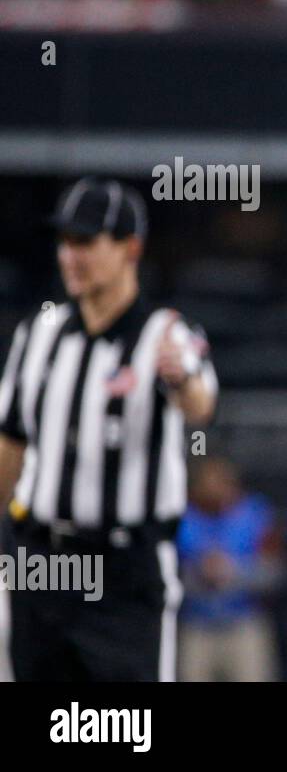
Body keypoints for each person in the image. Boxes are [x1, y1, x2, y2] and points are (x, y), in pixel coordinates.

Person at [0, 177, 218, 681]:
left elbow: (200, 405)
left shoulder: (165, 336)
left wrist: (181, 378)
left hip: (124, 572)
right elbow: (10, 443)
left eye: (86, 242)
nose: (70, 257)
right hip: (41, 563)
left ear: (129, 249)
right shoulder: (39, 334)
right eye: (65, 242)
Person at [176, 456, 285, 682]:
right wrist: (200, 575)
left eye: (222, 481)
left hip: (243, 623)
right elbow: (164, 574)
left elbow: (275, 572)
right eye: (209, 482)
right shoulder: (181, 516)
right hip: (196, 625)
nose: (216, 488)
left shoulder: (254, 514)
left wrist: (234, 573)